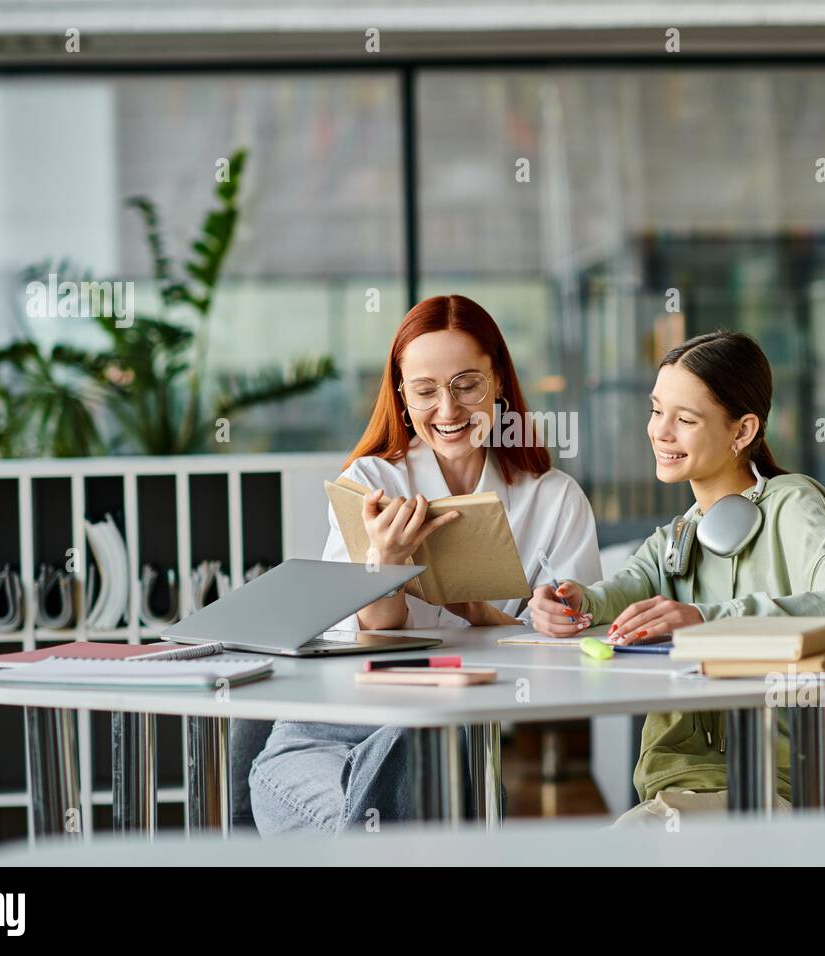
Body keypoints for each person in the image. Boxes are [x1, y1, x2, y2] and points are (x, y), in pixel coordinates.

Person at [251, 294, 602, 835]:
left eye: (467, 385)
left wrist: (509, 616)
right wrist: (386, 565)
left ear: (500, 382)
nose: (448, 410)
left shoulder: (554, 499)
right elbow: (366, 639)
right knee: (394, 820)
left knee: (392, 807)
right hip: (328, 732)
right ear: (401, 393)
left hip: (446, 738)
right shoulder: (368, 483)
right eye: (425, 390)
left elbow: (575, 658)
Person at [528, 329, 825, 824]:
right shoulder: (676, 537)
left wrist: (706, 619)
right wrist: (572, 603)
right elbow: (616, 594)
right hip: (695, 779)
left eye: (684, 419)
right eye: (656, 410)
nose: (661, 431)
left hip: (805, 783)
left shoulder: (795, 504)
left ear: (742, 431)